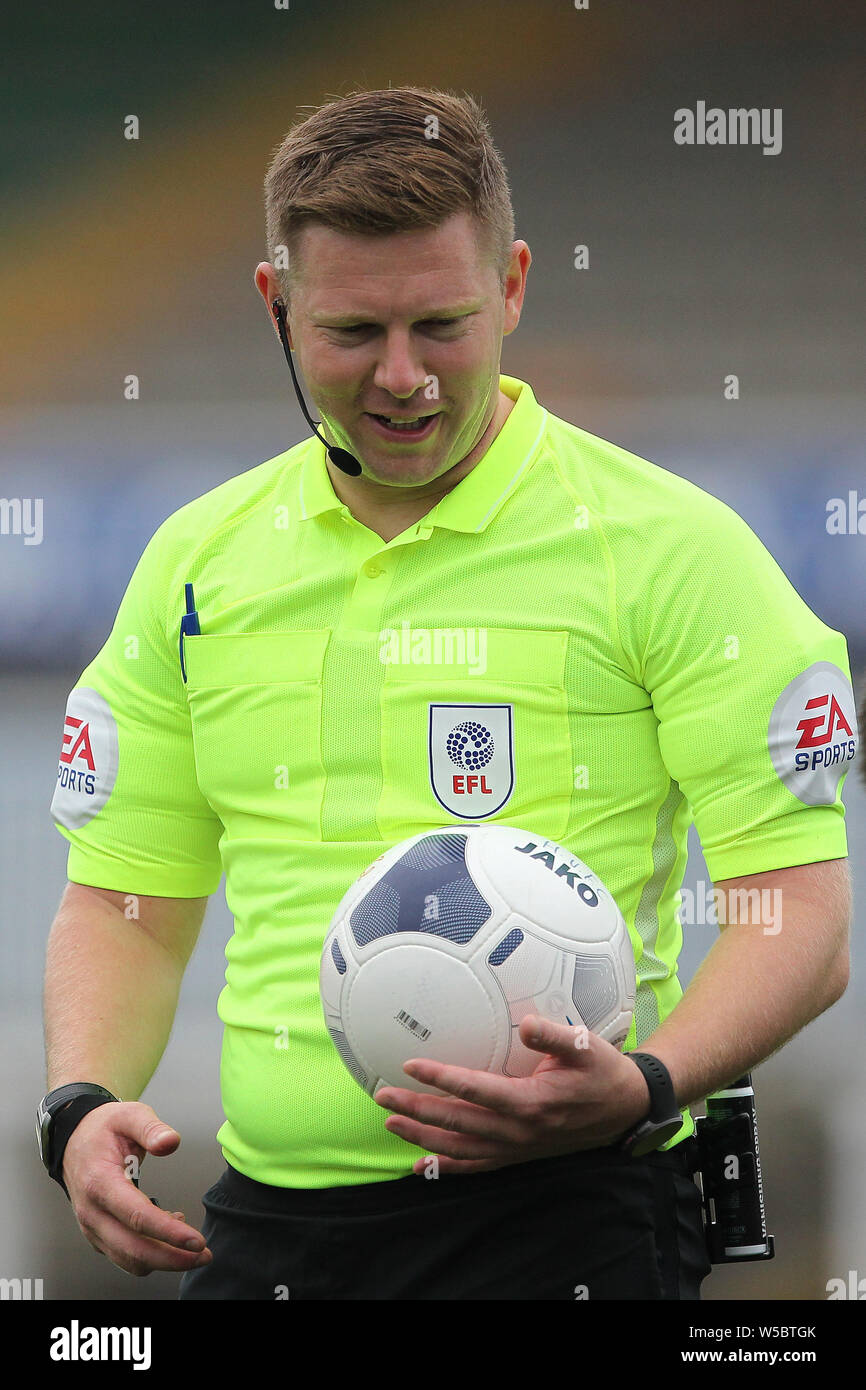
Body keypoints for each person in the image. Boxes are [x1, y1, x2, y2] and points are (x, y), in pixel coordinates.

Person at [40, 86, 859, 1301]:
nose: (404, 377)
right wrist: (81, 1104)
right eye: (352, 334)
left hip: (570, 1220)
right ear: (275, 307)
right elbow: (125, 904)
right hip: (268, 1233)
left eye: (443, 324)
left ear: (515, 285)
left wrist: (646, 1081)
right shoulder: (196, 563)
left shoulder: (671, 549)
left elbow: (795, 908)